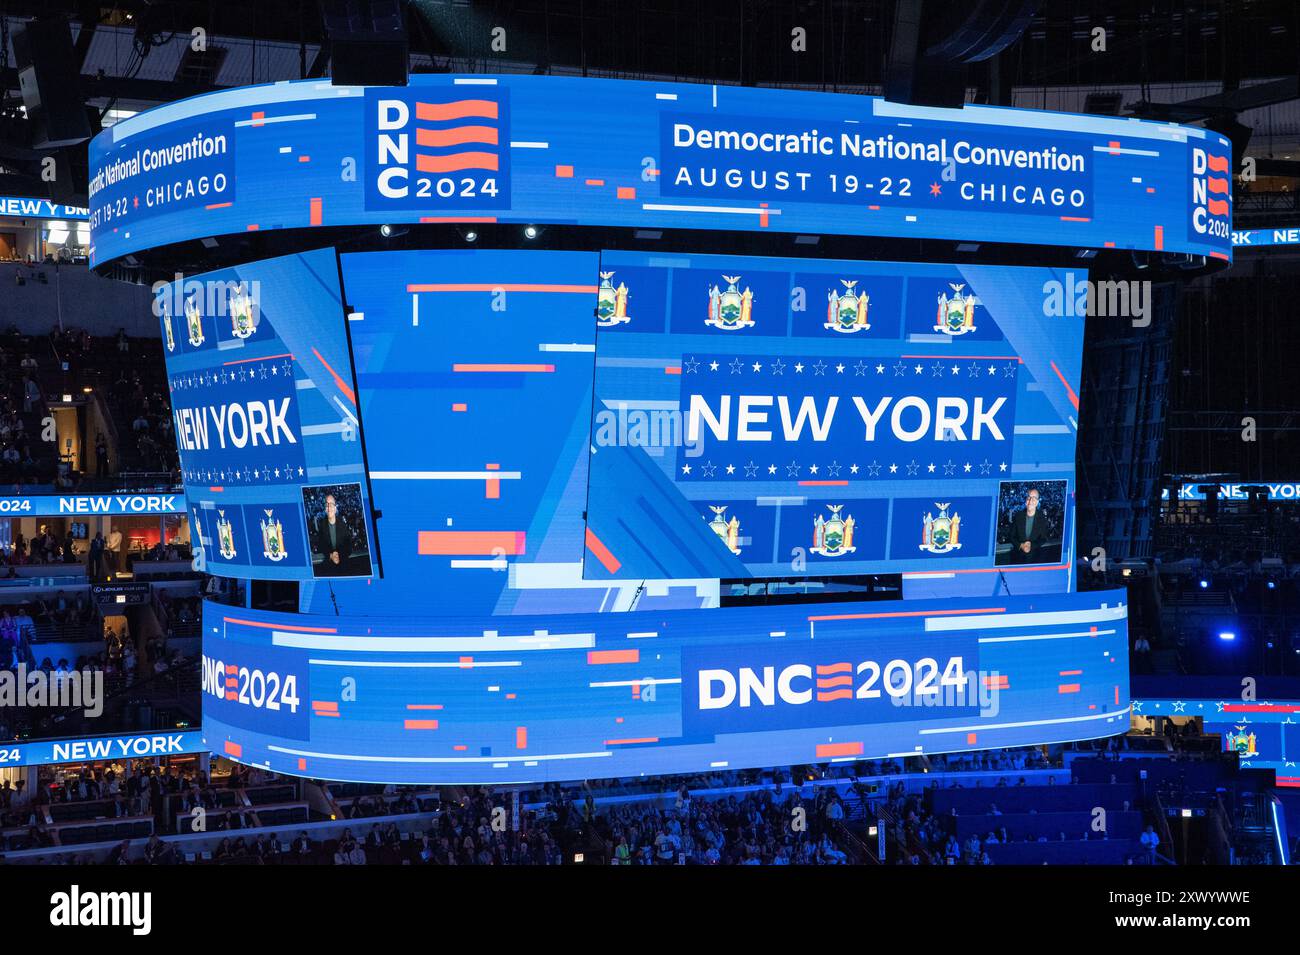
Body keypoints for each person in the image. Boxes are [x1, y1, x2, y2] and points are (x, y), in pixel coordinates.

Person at [311, 493, 355, 576]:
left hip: (344, 567)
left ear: (335, 508)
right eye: (327, 505)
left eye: (331, 504)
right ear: (325, 509)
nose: (329, 507)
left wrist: (338, 556)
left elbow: (349, 547)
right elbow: (321, 545)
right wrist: (330, 555)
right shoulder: (322, 525)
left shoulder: (343, 524)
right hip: (329, 568)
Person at [1008, 487, 1049, 564]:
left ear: (1037, 502)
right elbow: (1011, 536)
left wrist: (1032, 545)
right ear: (1025, 501)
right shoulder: (1018, 516)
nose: (1030, 501)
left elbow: (1044, 538)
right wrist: (1021, 545)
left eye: (1033, 498)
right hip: (1018, 558)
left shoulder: (1042, 518)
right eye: (1028, 498)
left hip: (1036, 558)